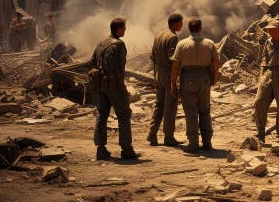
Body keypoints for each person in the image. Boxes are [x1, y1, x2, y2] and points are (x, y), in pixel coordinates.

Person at [90, 18, 138, 160]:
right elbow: (120, 68)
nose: (125, 30)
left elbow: (92, 62)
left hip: (101, 85)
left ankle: (100, 149)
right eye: (123, 28)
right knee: (124, 115)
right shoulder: (119, 45)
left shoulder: (101, 43)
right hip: (115, 85)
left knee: (102, 115)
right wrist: (120, 86)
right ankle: (126, 149)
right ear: (117, 29)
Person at [170, 19, 219, 153]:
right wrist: (214, 78)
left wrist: (173, 83)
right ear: (200, 28)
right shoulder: (209, 44)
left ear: (189, 29)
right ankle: (207, 143)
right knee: (205, 111)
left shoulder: (182, 44)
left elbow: (176, 65)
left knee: (191, 112)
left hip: (188, 79)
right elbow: (216, 61)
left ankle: (193, 144)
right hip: (204, 79)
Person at [147, 13, 184, 147]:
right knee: (170, 106)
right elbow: (172, 58)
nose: (182, 25)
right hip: (169, 75)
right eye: (180, 23)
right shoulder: (173, 37)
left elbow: (153, 58)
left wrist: (155, 77)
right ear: (175, 24)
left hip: (159, 75)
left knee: (159, 105)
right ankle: (168, 137)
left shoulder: (158, 35)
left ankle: (152, 133)